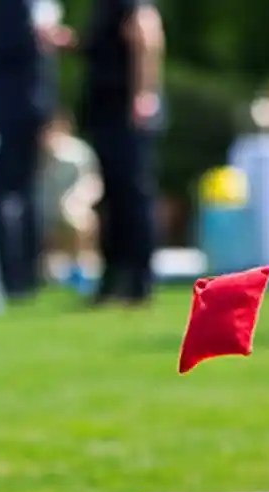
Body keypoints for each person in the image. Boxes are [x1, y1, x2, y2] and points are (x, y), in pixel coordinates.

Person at [0, 0, 72, 298]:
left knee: (1, 192)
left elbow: (7, 48)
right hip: (34, 106)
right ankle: (29, 272)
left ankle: (11, 276)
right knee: (27, 192)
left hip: (8, 109)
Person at [82, 0, 164, 306]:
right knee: (115, 197)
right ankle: (115, 277)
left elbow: (147, 37)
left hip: (125, 111)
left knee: (133, 195)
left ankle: (138, 279)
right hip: (107, 110)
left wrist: (143, 92)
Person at [40, 113, 102, 293]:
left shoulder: (79, 153)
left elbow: (93, 182)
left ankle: (82, 274)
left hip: (75, 205)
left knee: (80, 222)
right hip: (46, 210)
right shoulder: (39, 156)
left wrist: (79, 200)